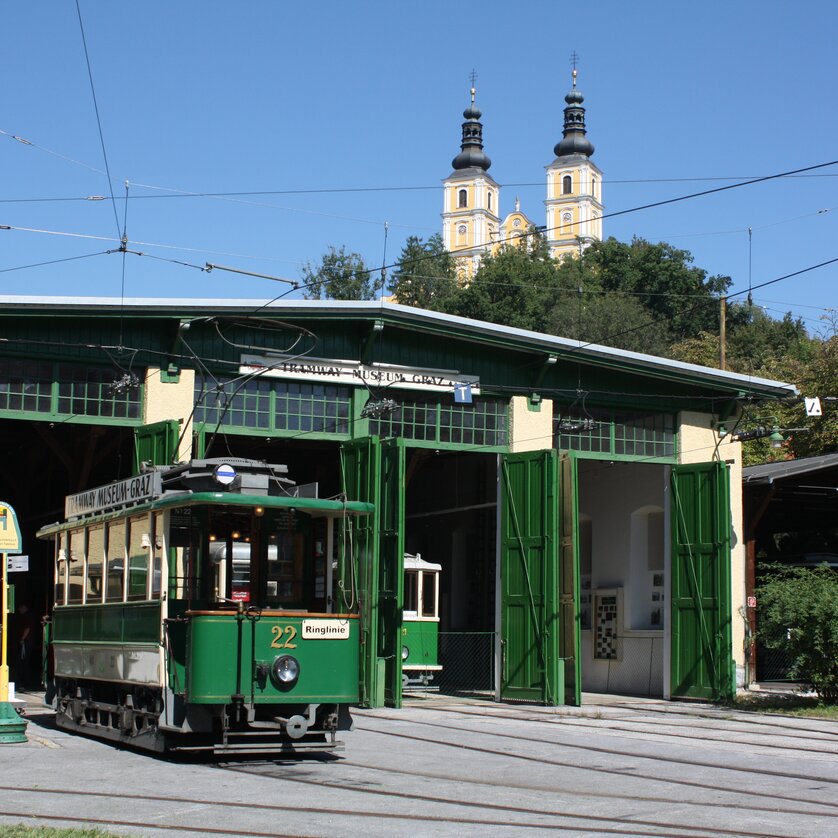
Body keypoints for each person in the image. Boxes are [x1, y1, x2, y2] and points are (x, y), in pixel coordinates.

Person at [15, 603, 37, 691]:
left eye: (20, 608)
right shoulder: (28, 616)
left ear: (24, 608)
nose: (19, 611)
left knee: (23, 662)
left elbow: (27, 628)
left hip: (26, 642)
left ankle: (24, 682)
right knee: (25, 662)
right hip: (28, 642)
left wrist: (22, 639)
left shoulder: (27, 617)